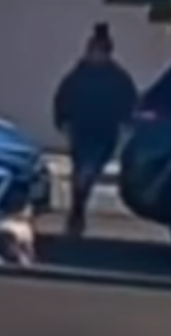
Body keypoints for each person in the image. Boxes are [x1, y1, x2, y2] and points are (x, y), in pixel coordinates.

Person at [52, 23, 139, 237]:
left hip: (103, 130)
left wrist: (127, 121)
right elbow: (63, 97)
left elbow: (129, 101)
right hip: (83, 128)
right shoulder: (81, 75)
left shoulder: (115, 78)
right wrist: (62, 119)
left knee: (88, 170)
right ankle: (77, 209)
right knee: (83, 168)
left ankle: (78, 207)